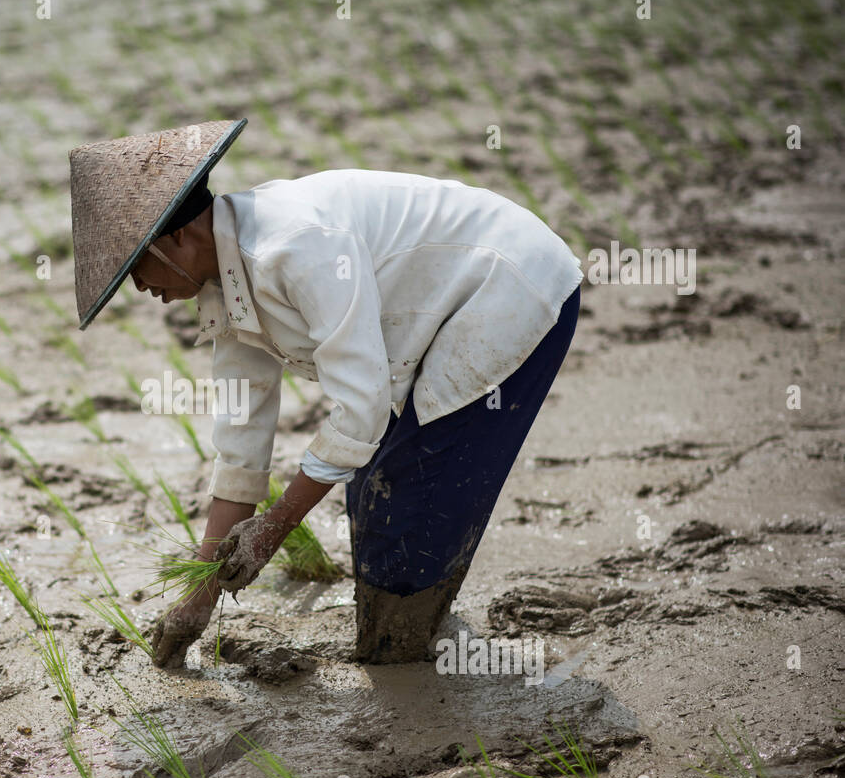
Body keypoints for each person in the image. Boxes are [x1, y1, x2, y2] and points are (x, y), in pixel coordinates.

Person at [68, 118, 583, 669]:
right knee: (367, 493)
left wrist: (274, 528)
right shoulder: (226, 279)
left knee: (402, 499)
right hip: (442, 319)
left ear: (177, 237)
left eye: (136, 268)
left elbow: (359, 411)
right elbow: (242, 443)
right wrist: (198, 600)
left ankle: (403, 665)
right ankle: (403, 636)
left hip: (509, 289)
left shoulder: (293, 246)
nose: (141, 288)